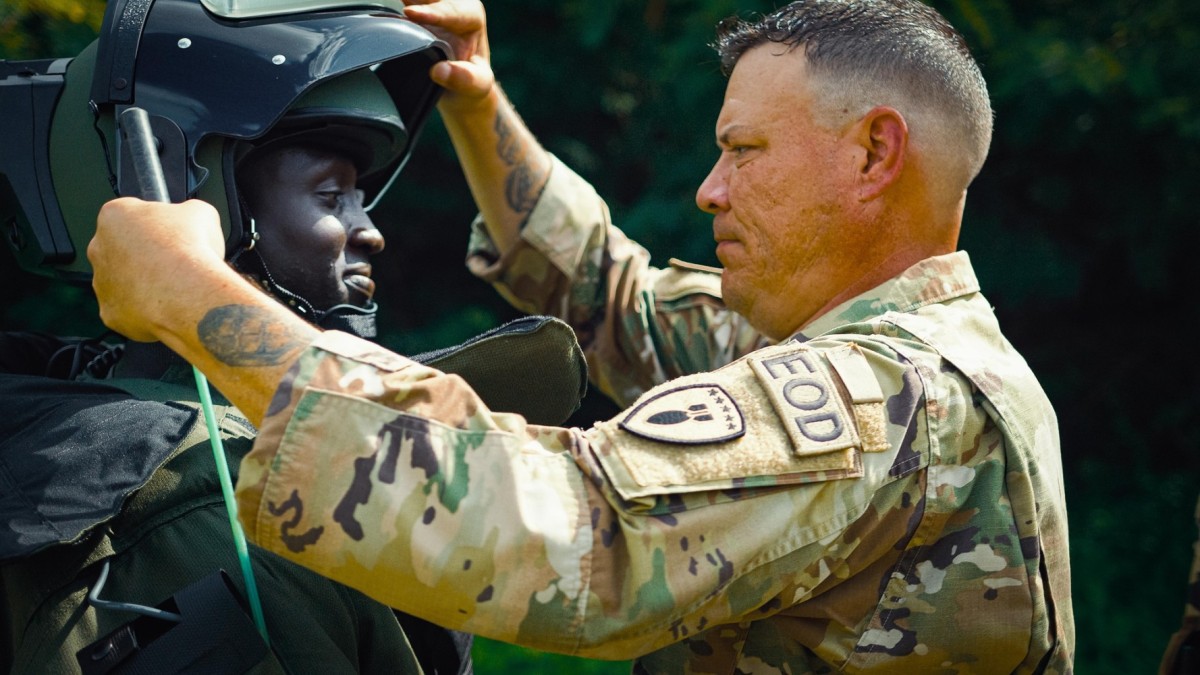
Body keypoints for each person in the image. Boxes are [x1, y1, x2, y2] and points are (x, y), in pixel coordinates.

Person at [85, 0, 1074, 671]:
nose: (711, 189)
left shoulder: (885, 399)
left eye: (744, 150)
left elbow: (571, 533)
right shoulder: (919, 349)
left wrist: (196, 301)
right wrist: (475, 100)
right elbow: (612, 297)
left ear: (873, 153)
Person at [0, 0, 586, 672]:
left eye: (362, 196)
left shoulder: (127, 426)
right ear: (201, 213)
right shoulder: (208, 502)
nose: (372, 231)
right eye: (332, 196)